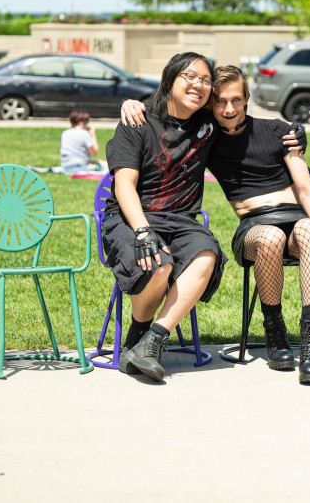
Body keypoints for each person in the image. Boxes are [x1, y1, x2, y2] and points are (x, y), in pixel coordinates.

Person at [121, 65, 310, 384]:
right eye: (220, 101)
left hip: (296, 220)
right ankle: (275, 331)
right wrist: (130, 103)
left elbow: (306, 189)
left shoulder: (278, 131)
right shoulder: (207, 138)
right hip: (255, 227)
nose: (229, 108)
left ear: (247, 98)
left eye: (236, 100)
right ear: (211, 105)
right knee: (270, 236)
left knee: (309, 229)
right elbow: (171, 107)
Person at [102, 51, 227, 382]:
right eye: (190, 76)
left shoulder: (208, 125)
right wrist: (143, 231)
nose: (198, 85)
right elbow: (124, 185)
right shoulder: (138, 120)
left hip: (181, 221)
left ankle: (151, 341)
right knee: (159, 263)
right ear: (170, 79)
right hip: (131, 219)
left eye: (206, 80)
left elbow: (243, 116)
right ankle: (137, 335)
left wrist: (290, 134)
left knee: (206, 254)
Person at [60, 110, 107, 174]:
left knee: (99, 162)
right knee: (103, 164)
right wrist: (93, 135)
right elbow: (94, 153)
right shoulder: (84, 134)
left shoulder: (65, 133)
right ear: (81, 122)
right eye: (87, 121)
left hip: (66, 167)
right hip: (81, 167)